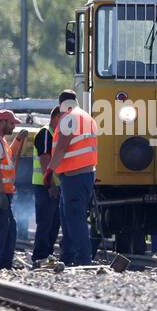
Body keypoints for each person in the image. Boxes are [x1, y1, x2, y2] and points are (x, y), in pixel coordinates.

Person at [45, 89, 98, 266]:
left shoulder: (69, 118)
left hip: (74, 176)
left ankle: (84, 259)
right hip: (85, 174)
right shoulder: (87, 118)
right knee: (69, 217)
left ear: (61, 104)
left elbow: (61, 148)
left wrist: (49, 171)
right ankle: (68, 257)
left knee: (75, 219)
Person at [0, 109, 28, 270]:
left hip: (0, 192)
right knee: (0, 228)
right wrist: (2, 193)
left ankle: (4, 263)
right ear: (3, 122)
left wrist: (18, 139)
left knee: (8, 227)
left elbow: (9, 154)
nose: (13, 126)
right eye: (12, 123)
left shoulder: (0, 141)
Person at [30, 106, 62, 266]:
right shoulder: (45, 133)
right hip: (45, 186)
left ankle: (47, 254)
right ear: (56, 117)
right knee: (45, 222)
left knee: (54, 222)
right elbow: (44, 159)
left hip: (52, 185)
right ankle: (40, 256)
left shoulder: (54, 134)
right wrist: (50, 184)